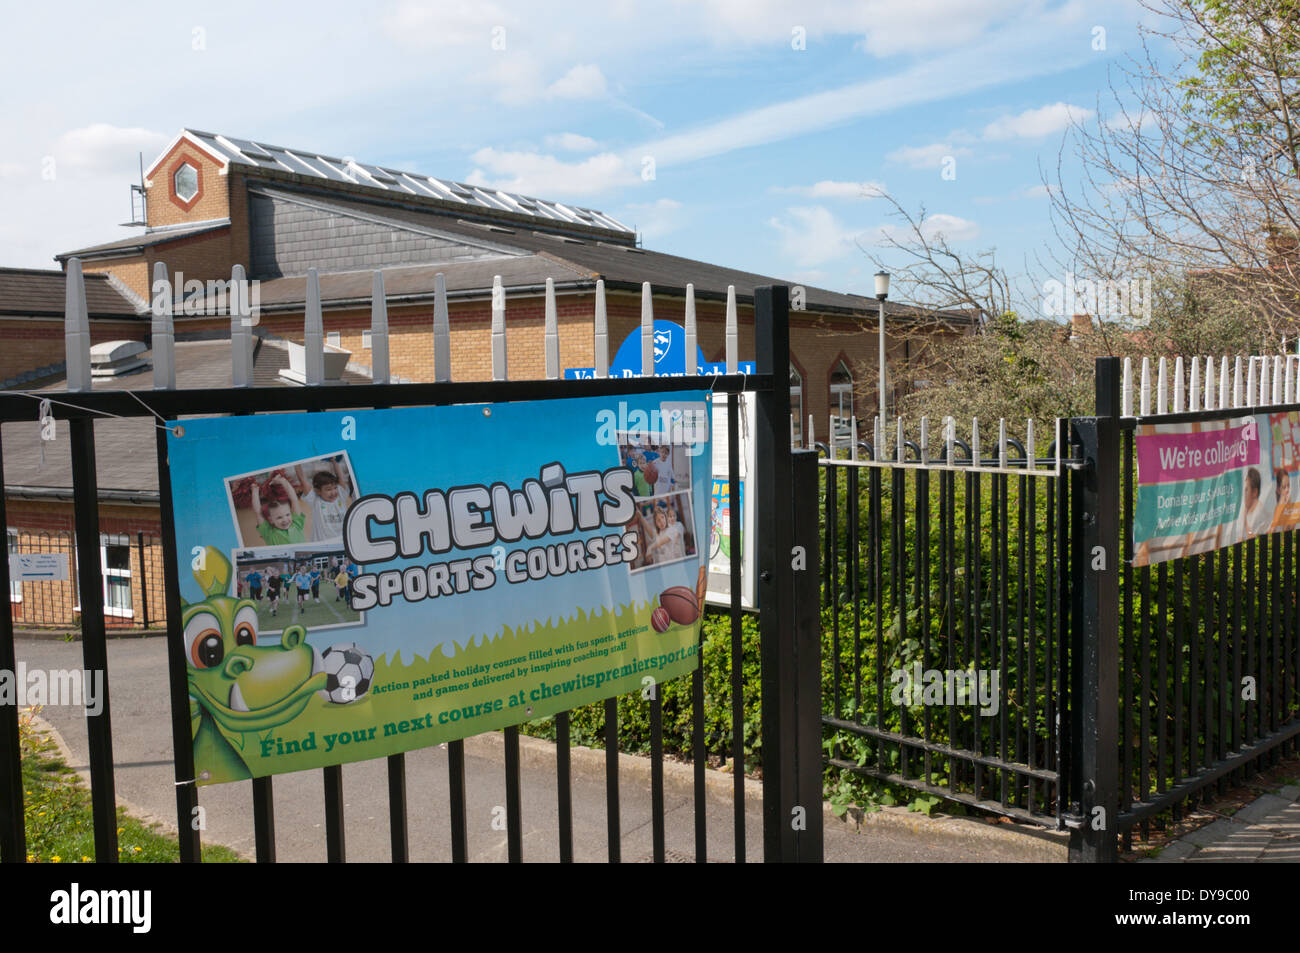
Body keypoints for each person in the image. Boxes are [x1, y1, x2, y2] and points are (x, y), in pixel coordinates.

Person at [297, 460, 353, 542]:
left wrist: (334, 460)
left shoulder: (341, 495)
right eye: (328, 489)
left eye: (335, 488)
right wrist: (296, 461)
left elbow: (341, 477)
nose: (333, 492)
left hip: (343, 542)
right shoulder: (315, 501)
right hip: (324, 546)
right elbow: (302, 479)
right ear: (318, 491)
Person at [251, 474, 306, 545]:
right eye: (279, 517)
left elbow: (294, 500)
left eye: (287, 514)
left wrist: (283, 481)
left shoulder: (296, 524)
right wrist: (255, 491)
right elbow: (258, 512)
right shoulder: (268, 533)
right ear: (270, 519)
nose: (285, 520)